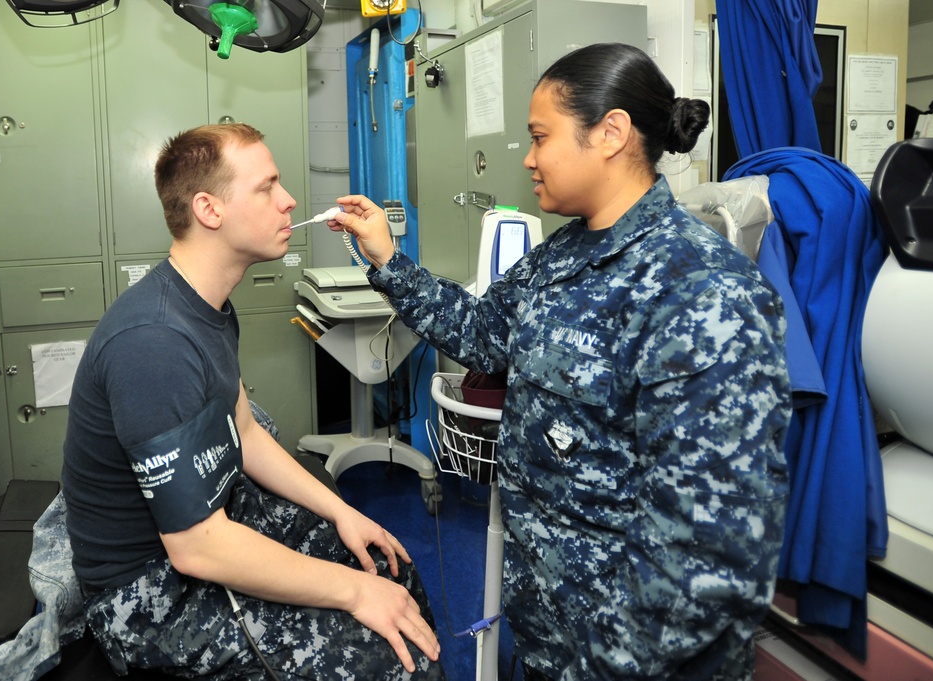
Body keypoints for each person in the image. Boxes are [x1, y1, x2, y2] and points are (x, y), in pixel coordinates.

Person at [330, 43, 792, 680]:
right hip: (550, 631)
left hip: (628, 659)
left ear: (610, 133)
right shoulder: (563, 255)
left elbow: (708, 560)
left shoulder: (703, 294)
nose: (528, 157)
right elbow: (483, 332)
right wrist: (388, 259)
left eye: (540, 136)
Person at [60, 123, 444, 680]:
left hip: (216, 519)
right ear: (210, 210)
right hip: (152, 592)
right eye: (267, 187)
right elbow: (197, 550)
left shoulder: (208, 306)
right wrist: (354, 593)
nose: (288, 200)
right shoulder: (154, 343)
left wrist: (344, 513)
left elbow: (246, 430)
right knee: (387, 656)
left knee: (391, 566)